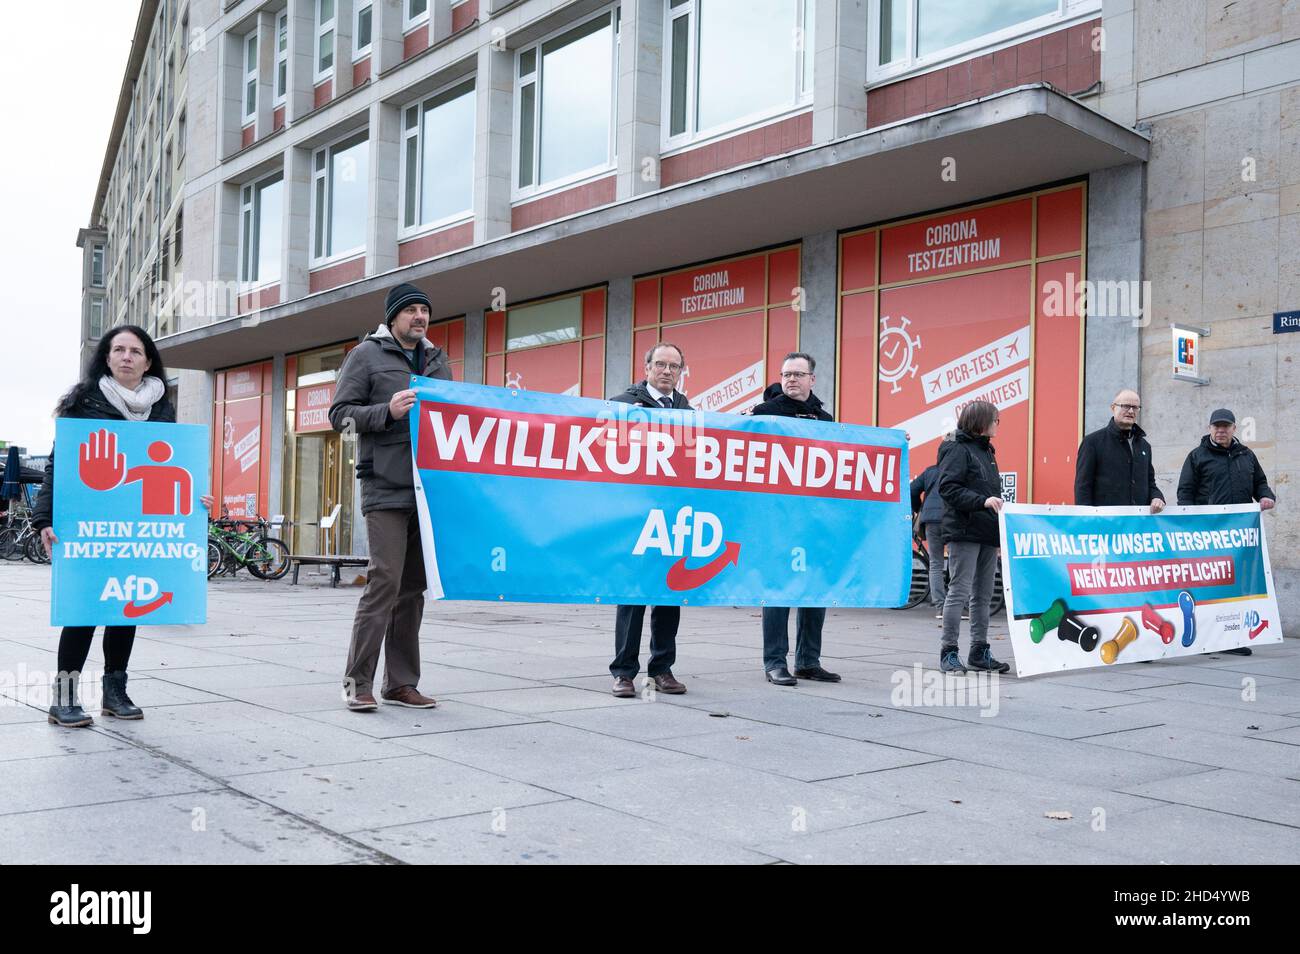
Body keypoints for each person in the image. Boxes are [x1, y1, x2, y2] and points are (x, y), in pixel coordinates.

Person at [34, 325, 212, 727]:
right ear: (107, 358)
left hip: (136, 528)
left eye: (136, 351)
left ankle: (115, 692)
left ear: (148, 361)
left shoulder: (162, 407)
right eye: (119, 350)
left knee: (124, 607)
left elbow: (171, 466)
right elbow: (57, 466)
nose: (127, 356)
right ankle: (64, 698)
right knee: (82, 609)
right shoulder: (84, 402)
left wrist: (196, 499)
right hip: (90, 526)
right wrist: (44, 518)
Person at [329, 282, 451, 711]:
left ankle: (400, 683)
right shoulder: (365, 355)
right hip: (384, 486)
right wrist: (386, 412)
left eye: (425, 310)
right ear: (393, 317)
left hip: (427, 488)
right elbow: (339, 418)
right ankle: (356, 682)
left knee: (412, 589)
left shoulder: (438, 360)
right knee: (384, 580)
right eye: (412, 310)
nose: (420, 317)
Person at [751, 353, 841, 687]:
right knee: (778, 590)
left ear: (812, 379)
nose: (791, 380)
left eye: (798, 374)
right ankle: (775, 661)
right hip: (777, 518)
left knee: (814, 589)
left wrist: (891, 446)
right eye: (786, 374)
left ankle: (808, 661)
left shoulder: (825, 418)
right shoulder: (764, 414)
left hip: (814, 519)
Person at [608, 343, 692, 698]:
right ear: (647, 368)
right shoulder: (624, 404)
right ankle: (624, 672)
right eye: (661, 364)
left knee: (669, 591)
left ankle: (662, 668)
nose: (667, 371)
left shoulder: (686, 409)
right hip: (635, 514)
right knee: (632, 594)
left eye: (674, 366)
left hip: (672, 515)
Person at [1177, 408, 1277, 657]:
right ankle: (1204, 638)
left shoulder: (1247, 455)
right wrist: (1190, 526)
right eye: (1216, 426)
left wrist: (1266, 496)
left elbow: (1260, 482)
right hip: (1208, 534)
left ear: (1234, 428)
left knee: (1235, 586)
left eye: (1226, 426)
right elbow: (1185, 492)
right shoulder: (1197, 456)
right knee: (1208, 585)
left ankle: (1232, 638)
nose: (1221, 430)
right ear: (1210, 428)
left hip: (1239, 537)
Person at [936, 400, 1010, 674]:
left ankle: (979, 650)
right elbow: (948, 488)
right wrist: (982, 501)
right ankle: (949, 652)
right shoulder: (956, 448)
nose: (997, 424)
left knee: (983, 594)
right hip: (964, 530)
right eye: (995, 419)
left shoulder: (986, 450)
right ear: (981, 422)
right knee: (959, 591)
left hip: (986, 531)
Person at [1074, 389, 1165, 511]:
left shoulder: (1144, 446)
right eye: (1126, 406)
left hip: (1138, 523)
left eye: (1135, 407)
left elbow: (1150, 482)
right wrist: (1086, 519)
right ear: (1113, 408)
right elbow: (1083, 487)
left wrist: (1157, 497)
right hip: (1106, 524)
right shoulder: (1092, 442)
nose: (1131, 411)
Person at [910, 434, 962, 618]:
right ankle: (956, 606)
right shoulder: (959, 471)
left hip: (931, 519)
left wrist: (918, 508)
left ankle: (940, 607)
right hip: (952, 519)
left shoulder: (930, 471)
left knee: (936, 563)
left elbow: (912, 490)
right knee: (956, 561)